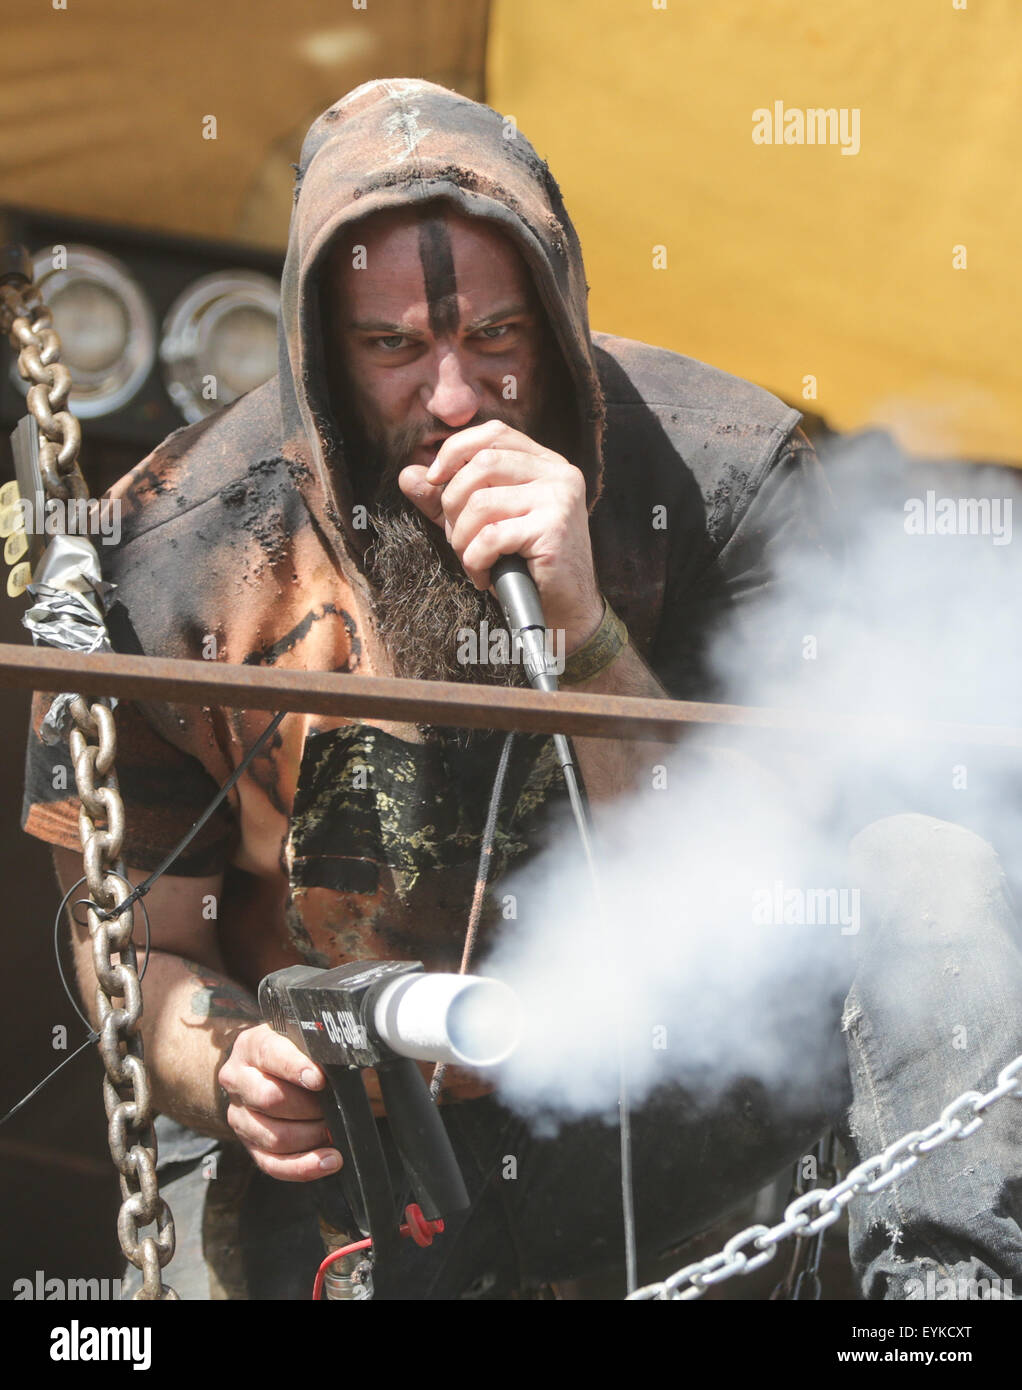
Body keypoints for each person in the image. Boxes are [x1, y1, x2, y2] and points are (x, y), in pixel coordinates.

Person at [21, 78, 1022, 1300]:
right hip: (339, 1143)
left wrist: (585, 629)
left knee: (924, 860)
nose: (450, 401)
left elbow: (780, 889)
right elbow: (133, 941)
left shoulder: (717, 480)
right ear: (316, 353)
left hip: (659, 1094)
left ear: (556, 319)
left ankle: (945, 1303)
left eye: (493, 339)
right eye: (390, 347)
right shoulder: (173, 550)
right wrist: (225, 1064)